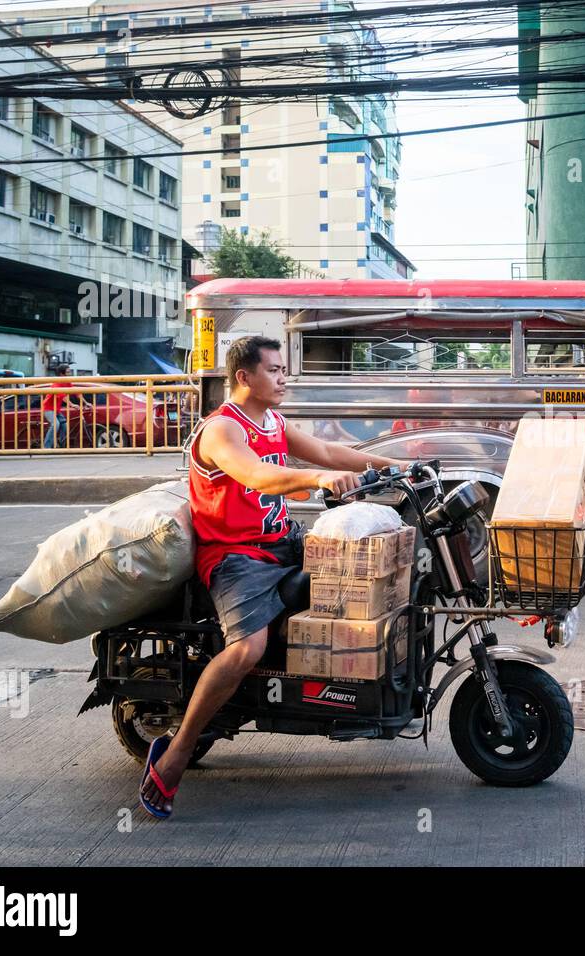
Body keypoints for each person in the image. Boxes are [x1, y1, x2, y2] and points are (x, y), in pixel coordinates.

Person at [139, 335, 405, 819]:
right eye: (275, 370)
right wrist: (316, 480)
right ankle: (176, 752)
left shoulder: (273, 422)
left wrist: (398, 467)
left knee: (358, 564)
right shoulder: (222, 430)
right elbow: (258, 476)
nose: (284, 378)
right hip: (235, 557)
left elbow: (327, 450)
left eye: (284, 370)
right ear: (245, 377)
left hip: (281, 542)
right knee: (247, 648)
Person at [40, 365, 71, 449]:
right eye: (68, 372)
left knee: (65, 425)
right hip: (48, 409)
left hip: (56, 410)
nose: (70, 374)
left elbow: (77, 392)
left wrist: (86, 402)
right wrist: (72, 404)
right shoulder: (56, 383)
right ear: (62, 374)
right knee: (56, 424)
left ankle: (61, 445)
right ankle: (46, 447)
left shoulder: (67, 382)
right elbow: (62, 397)